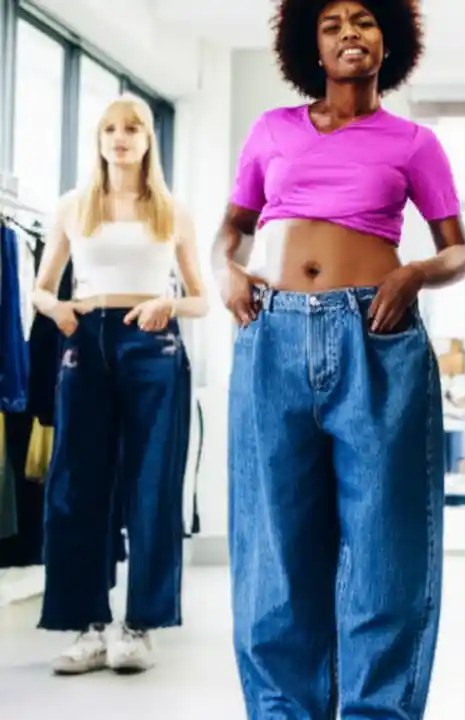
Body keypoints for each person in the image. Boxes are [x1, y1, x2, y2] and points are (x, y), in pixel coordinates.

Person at [210, 1, 465, 717]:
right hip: (276, 336)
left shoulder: (414, 143)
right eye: (332, 25)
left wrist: (415, 273)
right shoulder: (272, 131)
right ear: (311, 49)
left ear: (389, 41)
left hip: (375, 340)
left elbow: (457, 248)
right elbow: (229, 232)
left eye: (363, 20)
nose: (349, 32)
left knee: (386, 554)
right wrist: (225, 271)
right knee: (275, 553)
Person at [34, 94, 206, 675]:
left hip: (151, 341)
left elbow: (203, 298)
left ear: (148, 138)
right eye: (110, 128)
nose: (120, 137)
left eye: (131, 128)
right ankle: (87, 625)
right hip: (86, 337)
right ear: (99, 139)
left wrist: (169, 301)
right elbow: (41, 287)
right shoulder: (72, 206)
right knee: (77, 485)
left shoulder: (171, 211)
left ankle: (139, 626)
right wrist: (55, 310)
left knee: (153, 484)